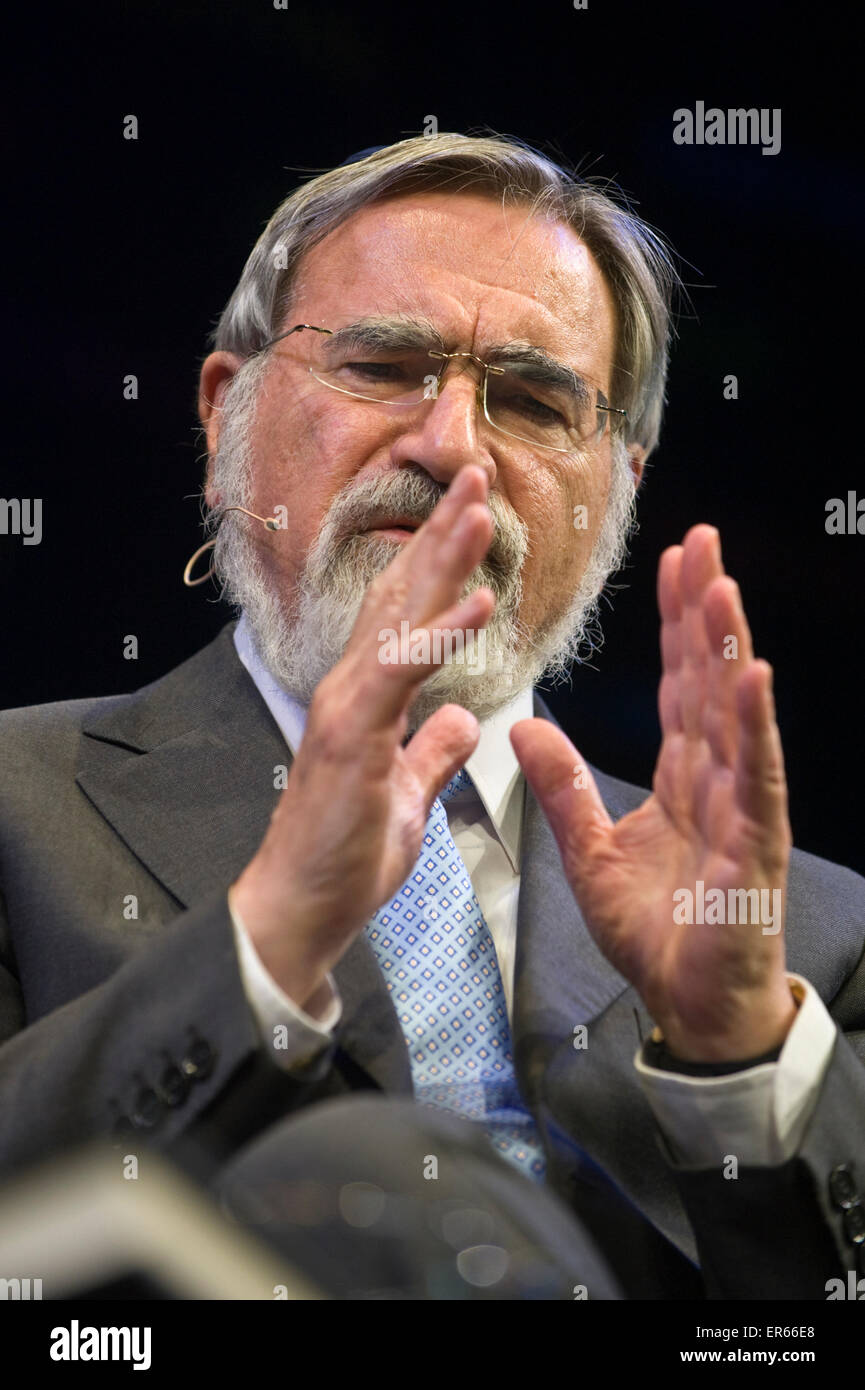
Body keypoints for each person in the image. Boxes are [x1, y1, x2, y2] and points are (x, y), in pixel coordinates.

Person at [1, 134, 863, 1301]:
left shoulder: (812, 940)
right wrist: (266, 940)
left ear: (617, 483)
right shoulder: (21, 807)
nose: (452, 446)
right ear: (223, 417)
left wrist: (741, 1058)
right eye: (383, 364)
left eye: (530, 400)